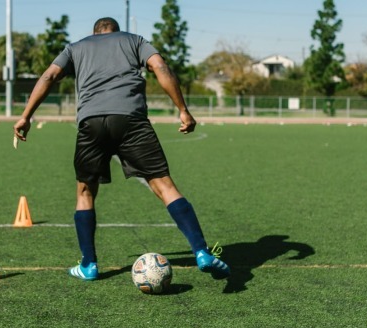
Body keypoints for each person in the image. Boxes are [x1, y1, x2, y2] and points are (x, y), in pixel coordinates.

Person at [13, 17, 230, 281]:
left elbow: (49, 75)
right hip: (132, 120)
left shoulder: (76, 47)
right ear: (116, 31)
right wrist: (183, 110)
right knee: (164, 185)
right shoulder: (134, 41)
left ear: (95, 33)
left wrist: (26, 116)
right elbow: (160, 66)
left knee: (85, 191)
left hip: (91, 122)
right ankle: (202, 252)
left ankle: (89, 265)